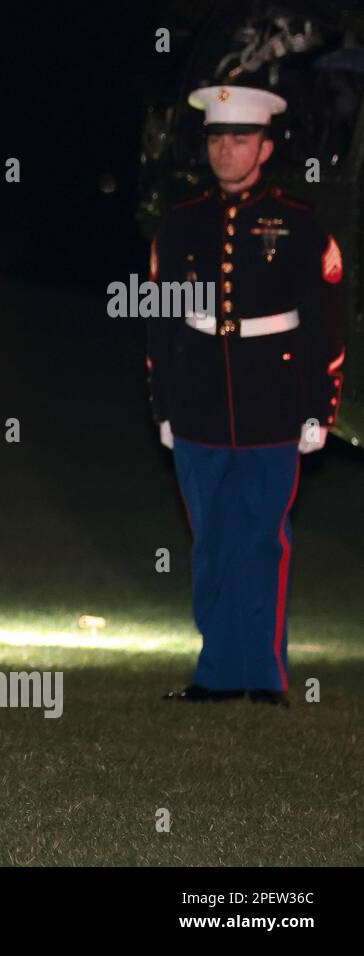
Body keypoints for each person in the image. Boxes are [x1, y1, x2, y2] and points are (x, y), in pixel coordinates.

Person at [148, 85, 346, 706]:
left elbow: (323, 321)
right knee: (210, 541)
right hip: (201, 400)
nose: (224, 149)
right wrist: (163, 405)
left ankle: (261, 676)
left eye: (238, 138)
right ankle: (215, 672)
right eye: (215, 137)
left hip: (274, 400)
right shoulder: (182, 221)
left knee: (261, 539)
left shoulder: (299, 221)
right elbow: (159, 321)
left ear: (264, 146)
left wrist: (321, 406)